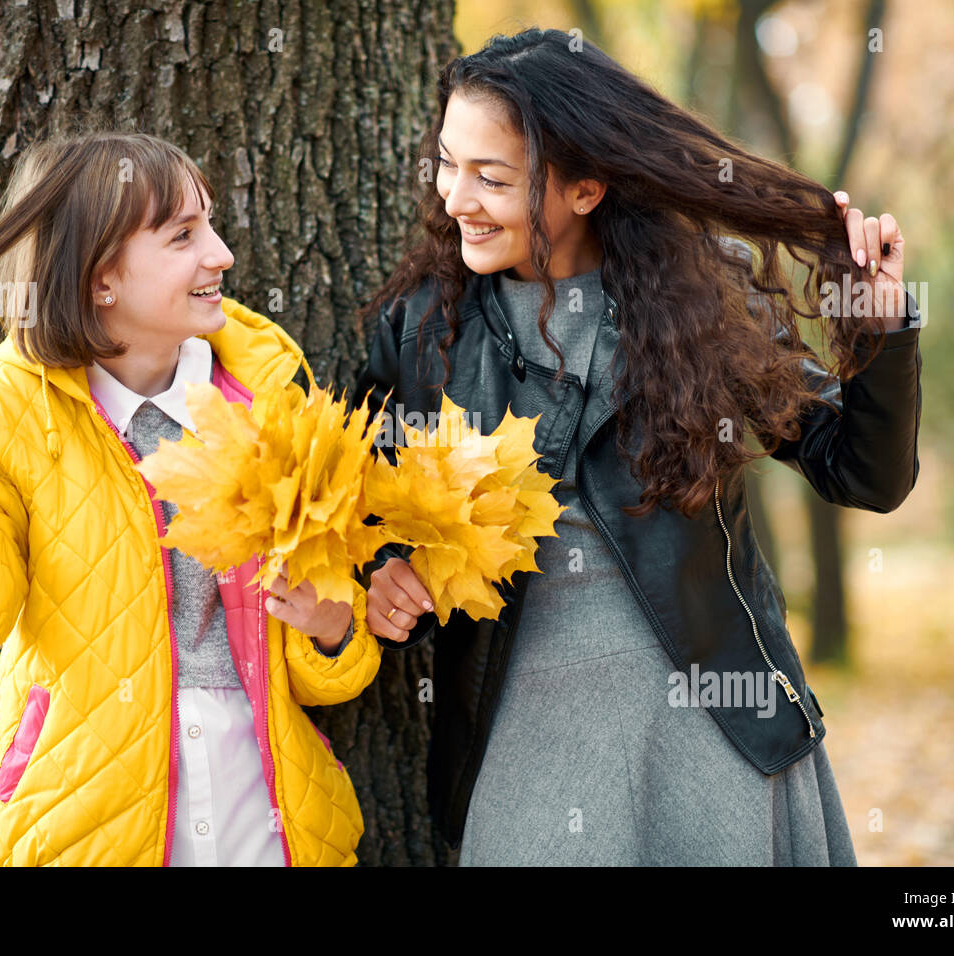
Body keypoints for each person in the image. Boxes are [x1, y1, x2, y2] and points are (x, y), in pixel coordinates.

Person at [356, 28, 923, 865]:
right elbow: (363, 515)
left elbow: (864, 475)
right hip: (524, 745)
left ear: (587, 187)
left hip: (713, 729)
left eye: (492, 177)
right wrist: (382, 577)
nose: (455, 198)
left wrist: (882, 334)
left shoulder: (701, 306)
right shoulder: (420, 331)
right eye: (447, 164)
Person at [0, 131, 380, 866]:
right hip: (87, 818)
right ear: (100, 278)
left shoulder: (271, 390)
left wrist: (333, 628)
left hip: (265, 809)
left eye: (209, 224)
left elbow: (327, 659)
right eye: (183, 235)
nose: (222, 255)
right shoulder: (7, 413)